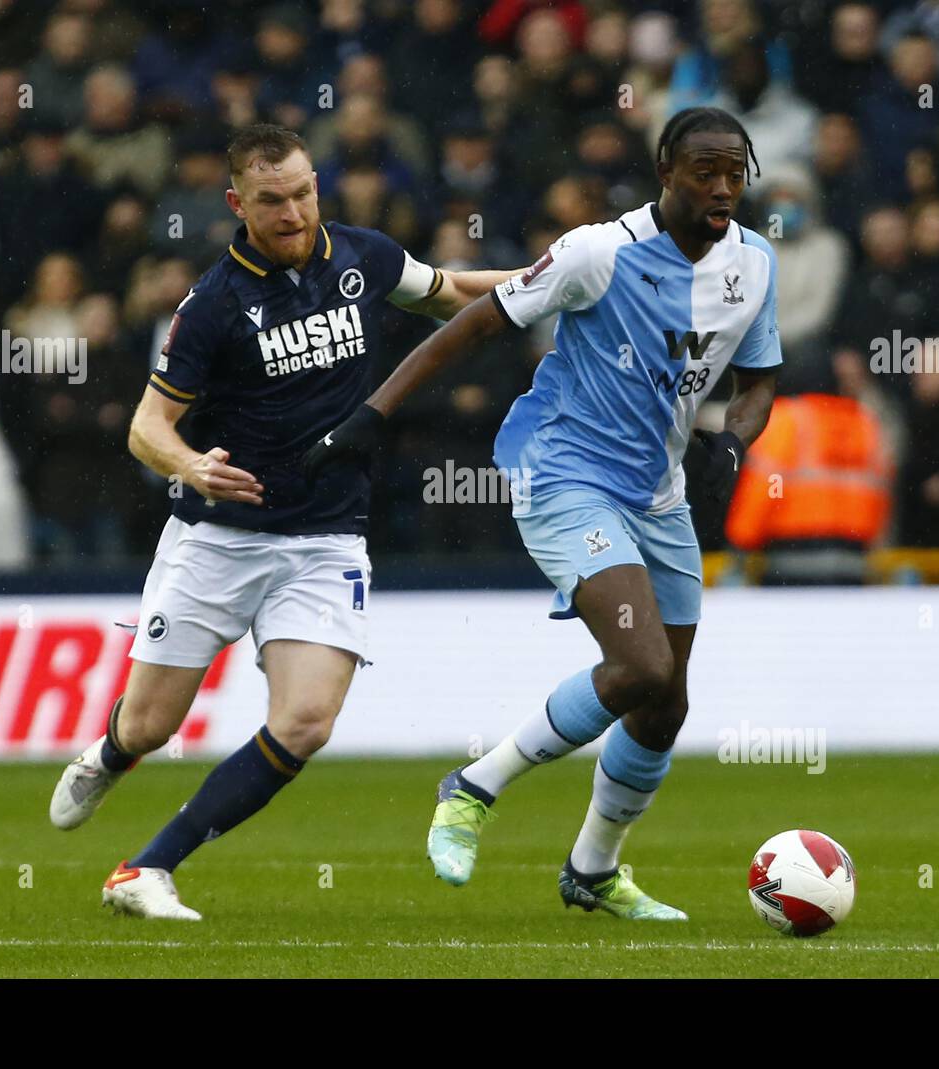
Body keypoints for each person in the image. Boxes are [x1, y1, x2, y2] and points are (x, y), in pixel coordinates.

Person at [304, 107, 782, 920]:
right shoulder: (598, 252)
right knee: (639, 665)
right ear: (666, 170)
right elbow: (471, 325)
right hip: (564, 470)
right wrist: (373, 416)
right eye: (705, 171)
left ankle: (592, 870)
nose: (723, 187)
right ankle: (474, 784)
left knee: (667, 703)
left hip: (658, 491)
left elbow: (760, 379)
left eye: (736, 172)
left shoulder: (756, 264)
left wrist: (733, 445)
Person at [47, 123, 520, 920]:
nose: (294, 211)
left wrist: (558, 277)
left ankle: (148, 867)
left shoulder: (364, 256)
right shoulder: (212, 305)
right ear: (238, 203)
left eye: (303, 192)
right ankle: (113, 750)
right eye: (272, 200)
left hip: (326, 538)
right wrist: (190, 464)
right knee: (153, 724)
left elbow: (448, 291)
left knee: (304, 721)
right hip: (218, 540)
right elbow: (145, 428)